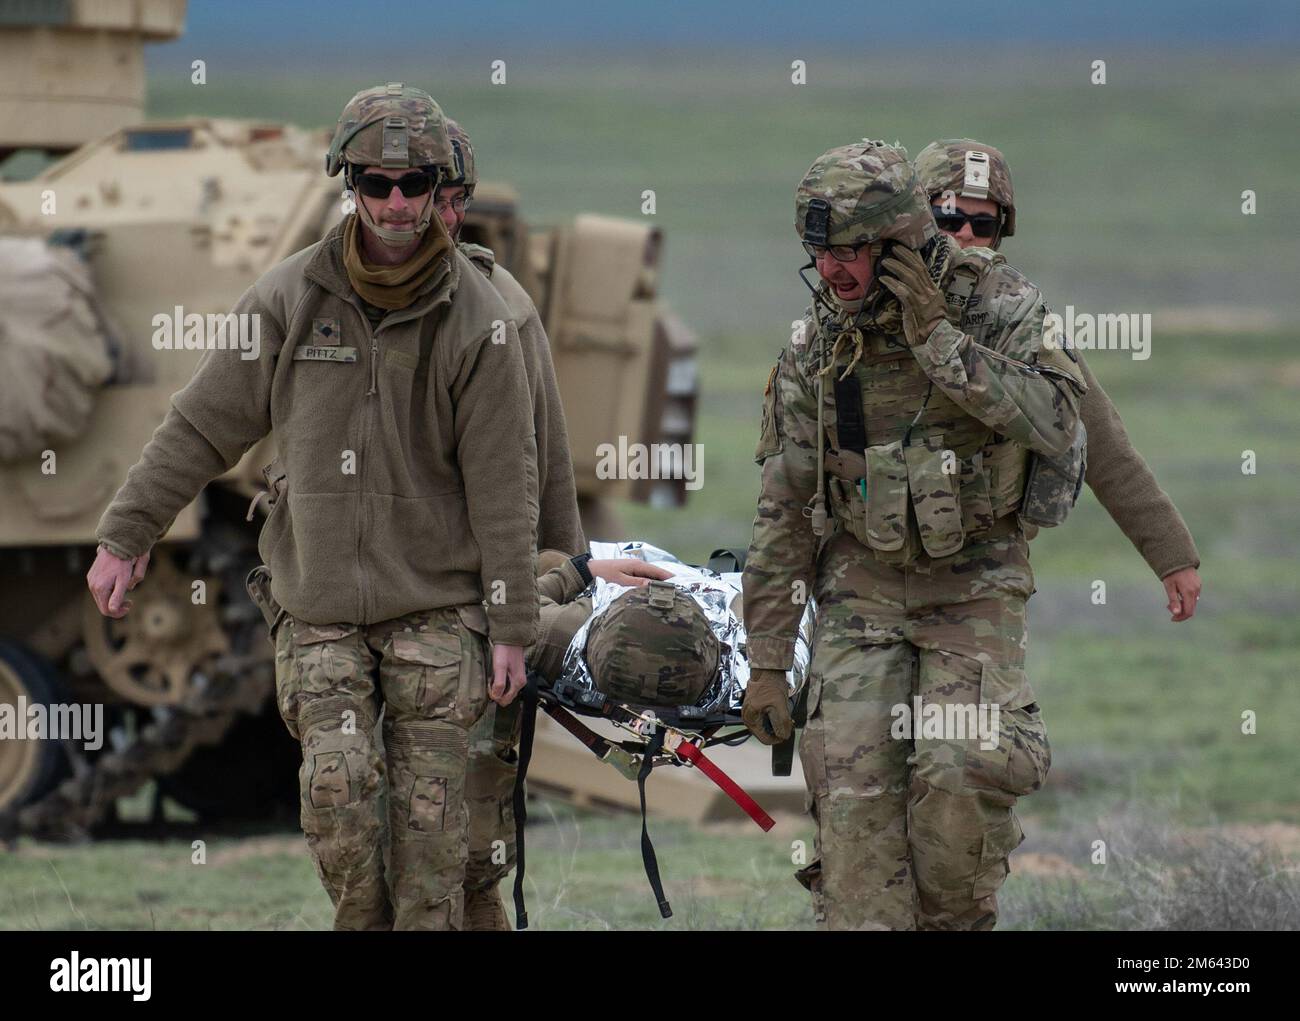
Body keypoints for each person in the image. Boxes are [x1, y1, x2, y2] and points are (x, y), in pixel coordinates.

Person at [86, 83, 541, 931]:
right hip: (318, 606)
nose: (398, 204)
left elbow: (505, 483)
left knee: (435, 845)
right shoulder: (289, 297)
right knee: (339, 812)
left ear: (440, 187)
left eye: (416, 184)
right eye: (376, 183)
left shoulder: (481, 319)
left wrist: (514, 619)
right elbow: (201, 423)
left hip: (438, 613)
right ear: (349, 184)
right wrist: (128, 530)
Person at [741, 140, 1086, 930]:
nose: (832, 271)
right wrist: (766, 661)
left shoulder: (996, 304)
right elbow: (786, 507)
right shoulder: (820, 344)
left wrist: (942, 345)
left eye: (851, 251)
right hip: (862, 589)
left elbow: (1060, 422)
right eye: (818, 251)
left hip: (975, 582)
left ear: (898, 243)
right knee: (857, 829)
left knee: (957, 788)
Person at [914, 138, 1202, 620]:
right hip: (866, 570)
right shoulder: (863, 302)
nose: (964, 234)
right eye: (948, 218)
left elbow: (1100, 437)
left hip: (978, 569)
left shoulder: (1018, 318)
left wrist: (1172, 555)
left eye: (982, 223)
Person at [434, 117, 587, 930]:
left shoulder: (502, 305)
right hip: (367, 614)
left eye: (453, 198)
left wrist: (564, 571)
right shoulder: (322, 297)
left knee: (475, 849)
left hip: (476, 606)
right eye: (419, 193)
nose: (436, 215)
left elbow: (550, 462)